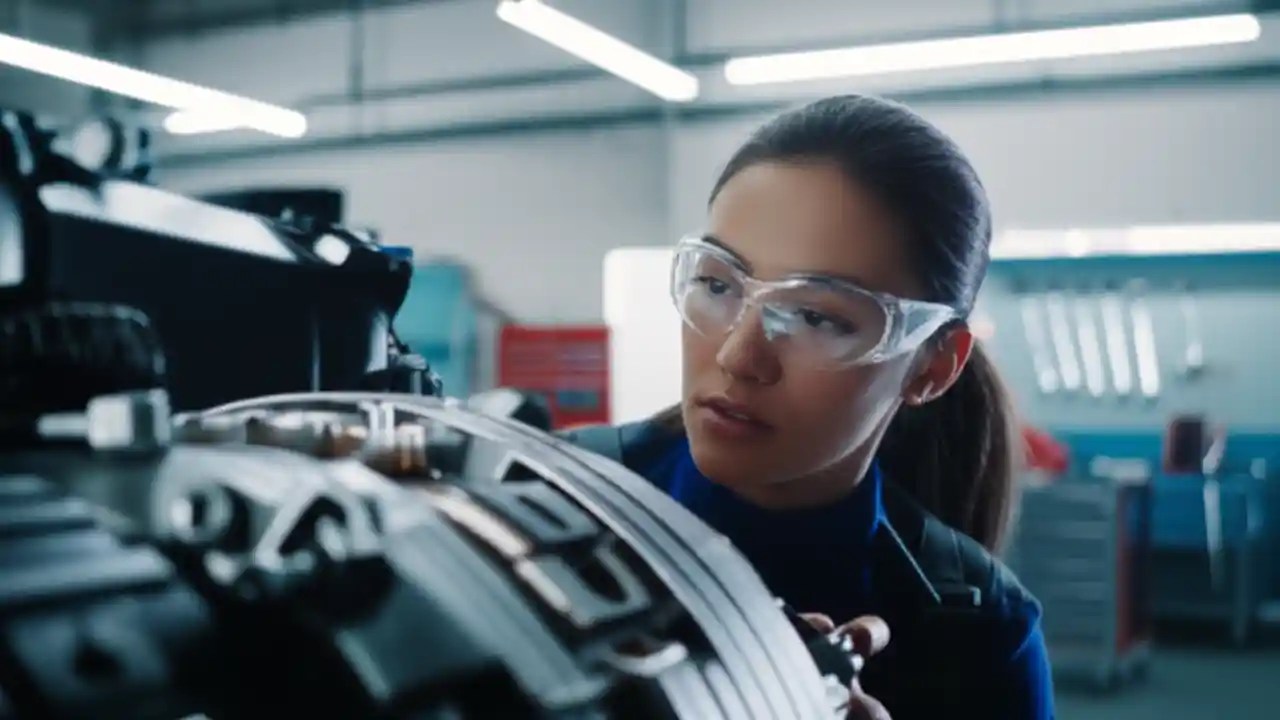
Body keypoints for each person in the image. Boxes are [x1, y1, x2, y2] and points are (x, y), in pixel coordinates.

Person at [565, 94, 1053, 719]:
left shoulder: (981, 634)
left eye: (816, 316)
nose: (740, 356)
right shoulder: (544, 499)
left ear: (933, 365)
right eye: (718, 284)